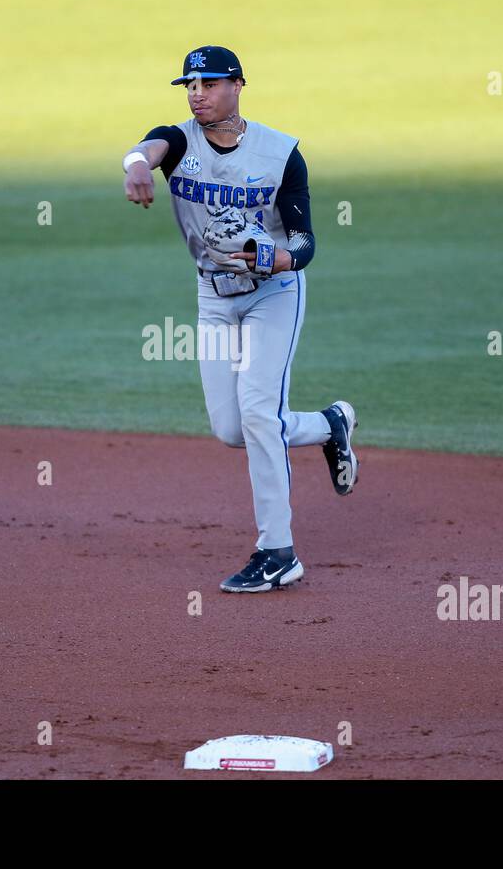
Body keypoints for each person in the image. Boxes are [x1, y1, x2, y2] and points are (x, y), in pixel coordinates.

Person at [121, 45, 359, 593]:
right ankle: (330, 425)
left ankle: (278, 552)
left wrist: (279, 257)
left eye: (207, 83)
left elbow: (304, 241)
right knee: (232, 428)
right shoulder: (181, 141)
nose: (196, 94)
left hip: (274, 293)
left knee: (257, 413)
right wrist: (136, 167)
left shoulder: (281, 154)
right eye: (189, 85)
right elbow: (147, 148)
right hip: (213, 296)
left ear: (237, 85)